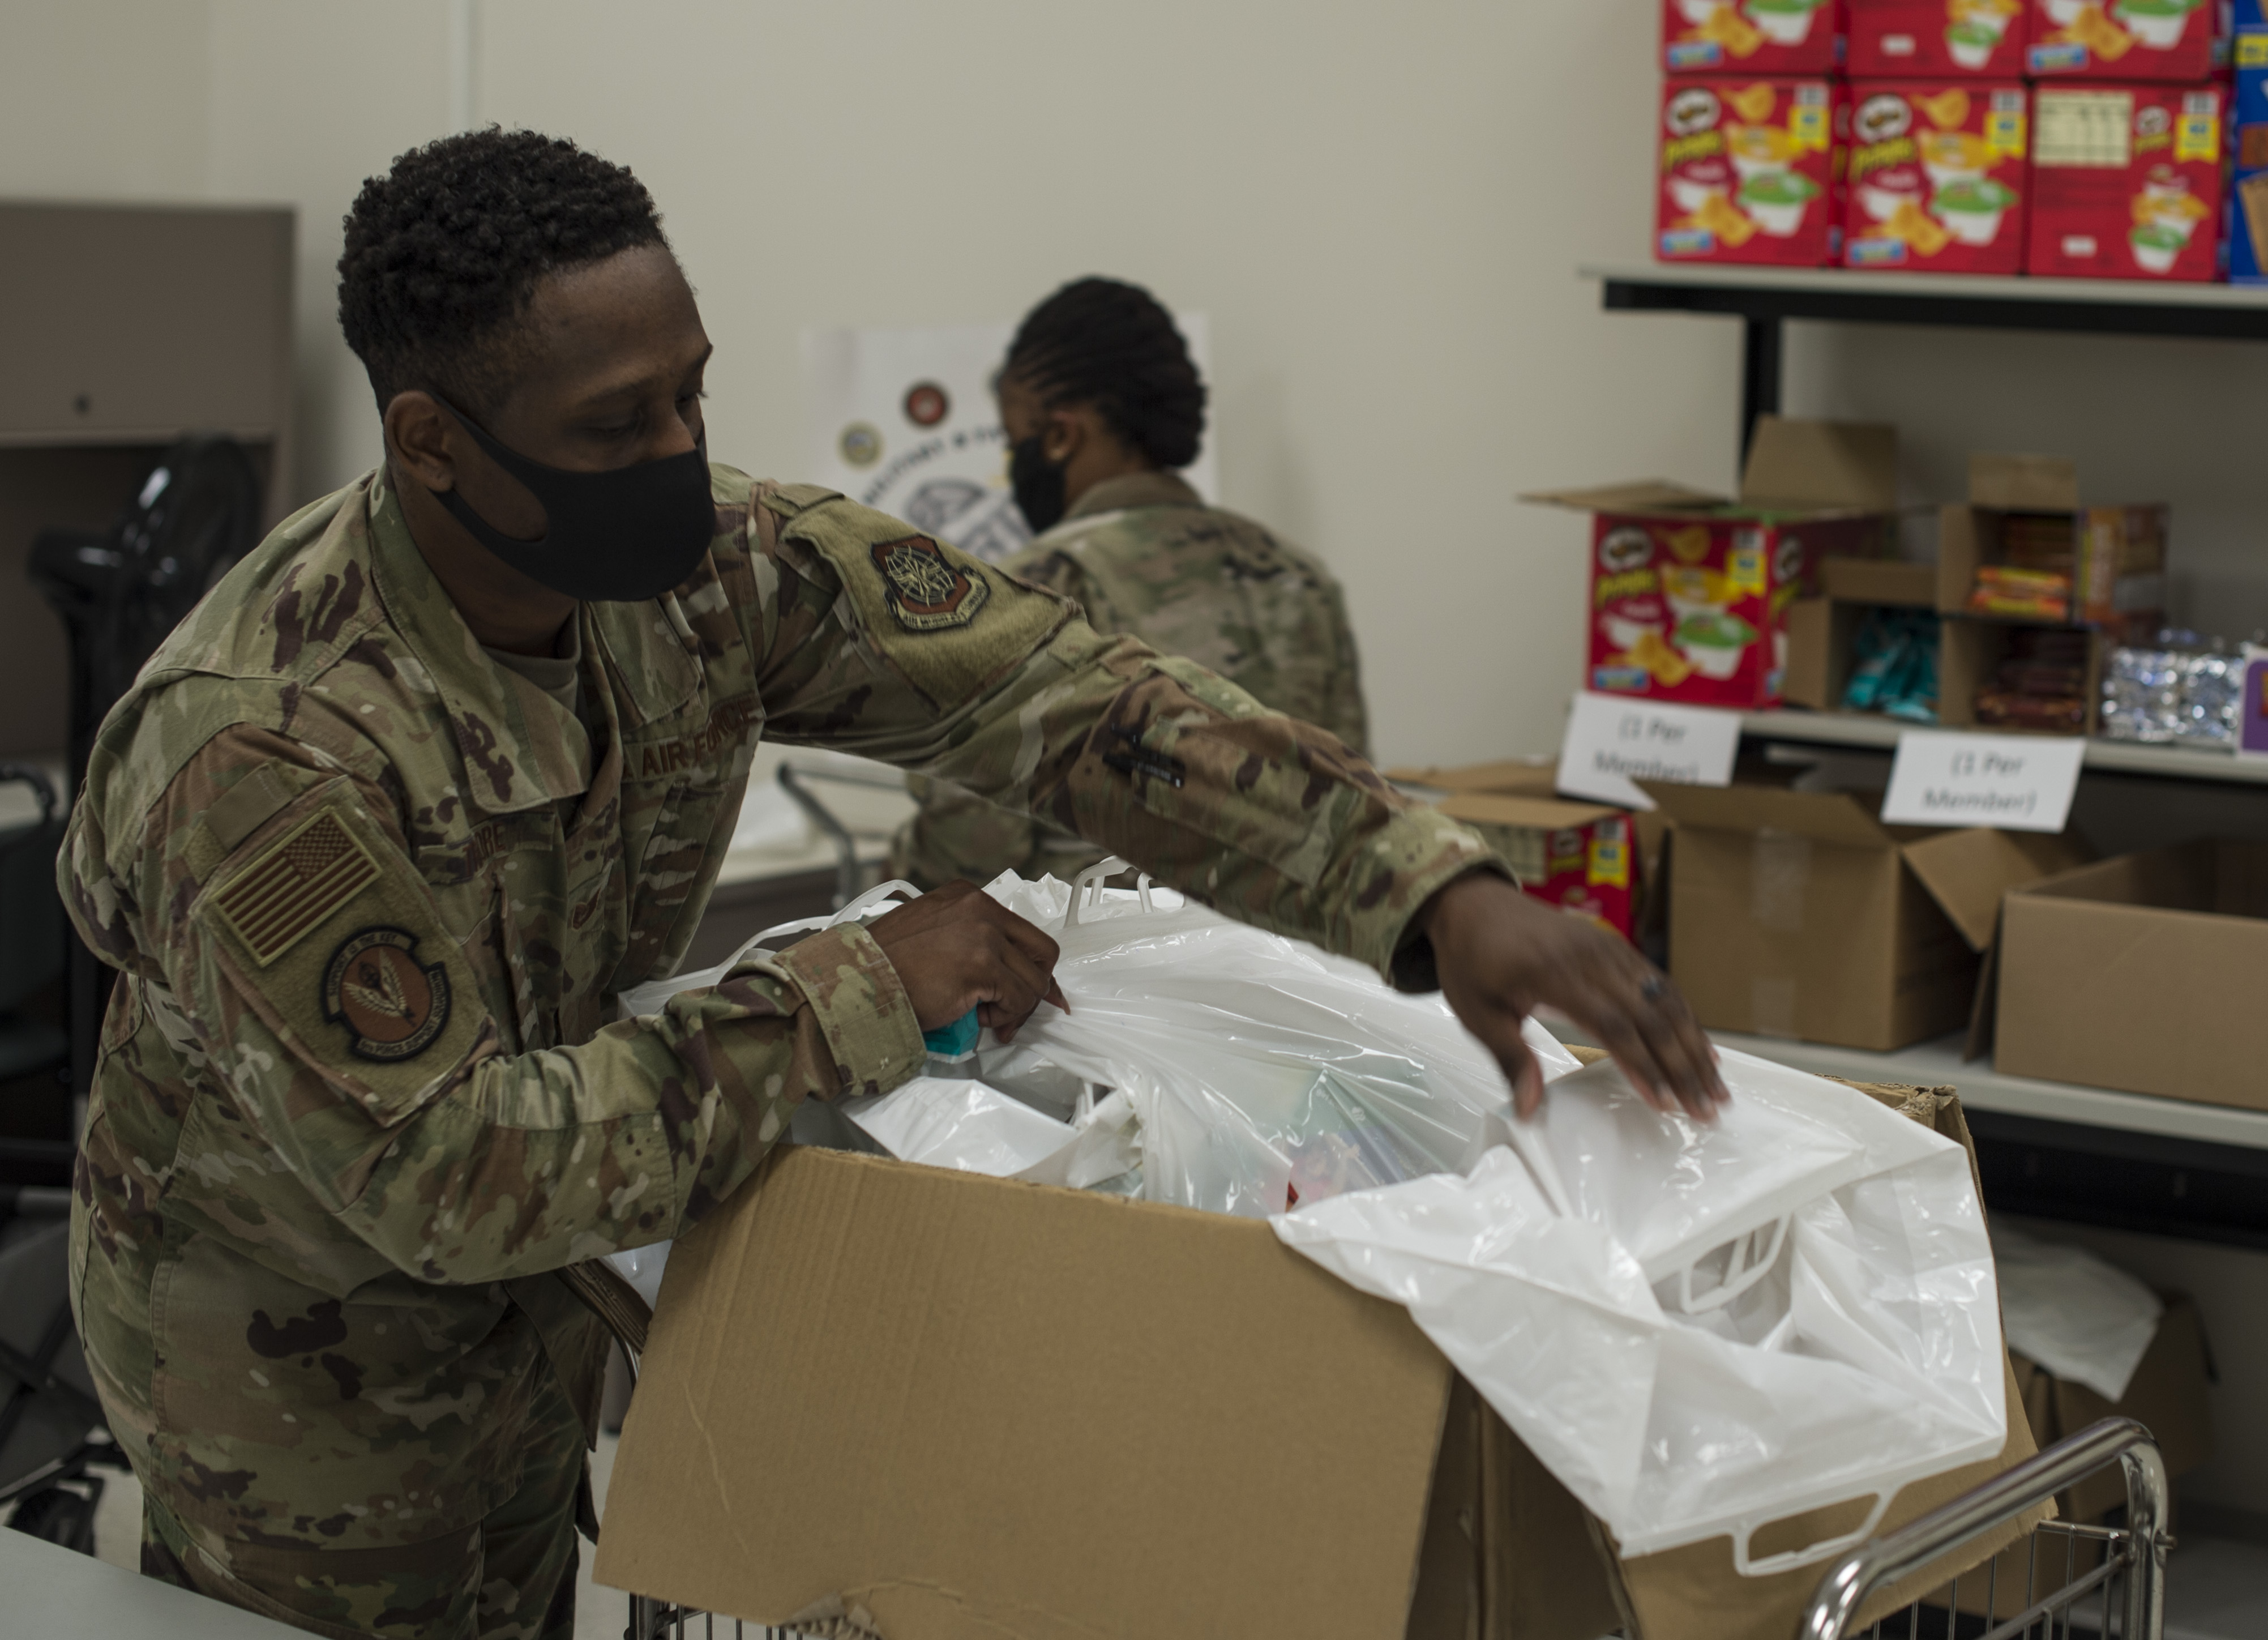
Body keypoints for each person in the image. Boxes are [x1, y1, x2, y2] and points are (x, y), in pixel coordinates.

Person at [61, 129, 1723, 1640]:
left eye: (689, 392)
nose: (677, 449)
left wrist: (1432, 895)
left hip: (537, 1320)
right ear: (432, 441)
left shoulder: (709, 564)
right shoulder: (266, 748)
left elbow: (1058, 691)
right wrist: (868, 978)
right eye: (614, 422)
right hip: (298, 1387)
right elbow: (449, 1166)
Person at [888, 277, 1369, 890]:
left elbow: (971, 851)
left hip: (1101, 970)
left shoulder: (1035, 586)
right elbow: (1355, 811)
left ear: (1060, 436)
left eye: (1016, 445)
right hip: (1289, 967)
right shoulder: (1300, 578)